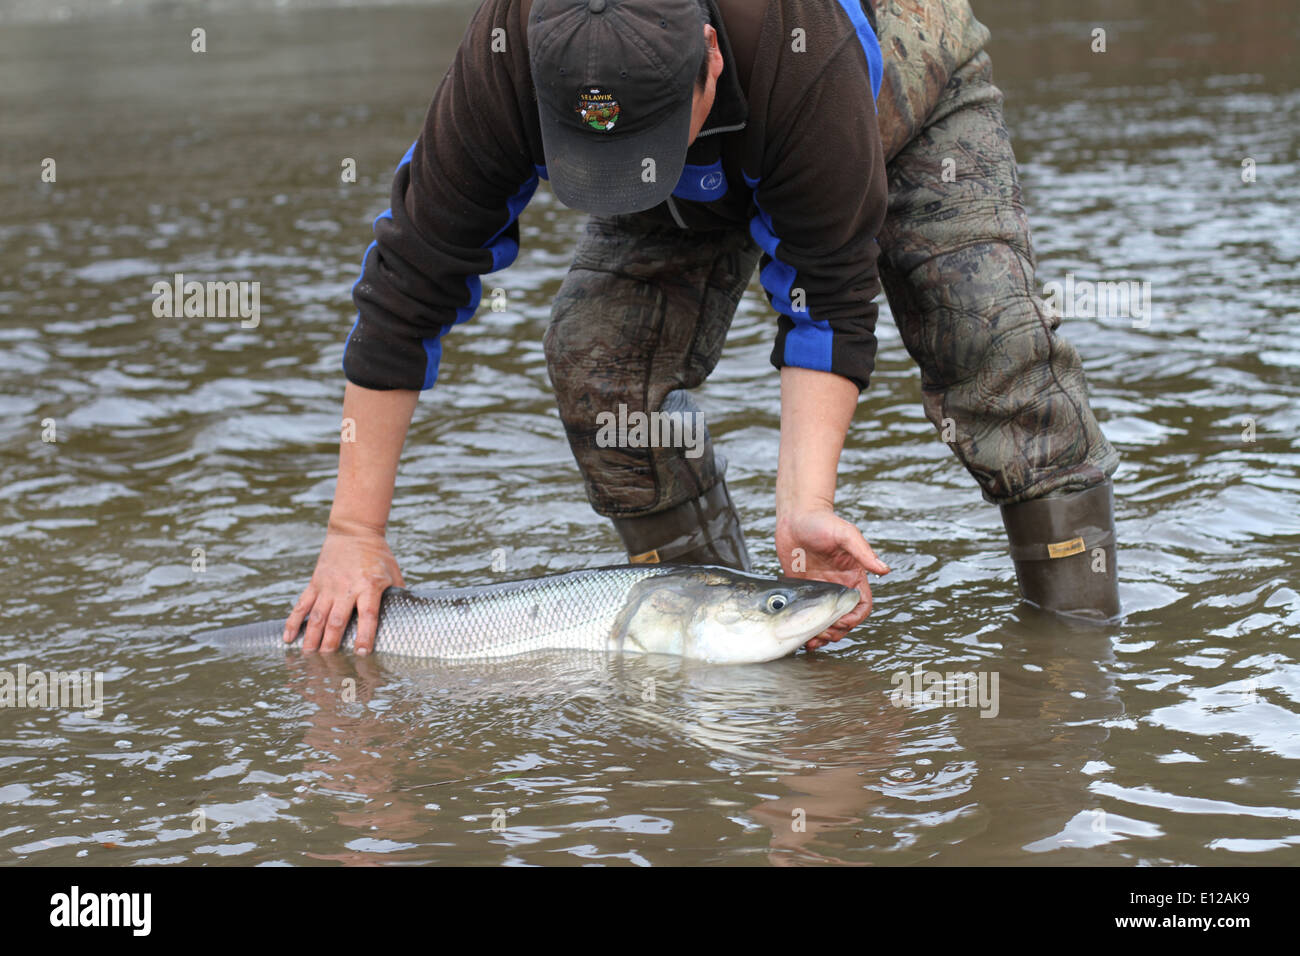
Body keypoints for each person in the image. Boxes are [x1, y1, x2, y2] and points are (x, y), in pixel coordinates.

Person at [284, 0, 1120, 655]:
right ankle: (711, 634)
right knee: (596, 363)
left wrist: (805, 507)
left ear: (708, 66)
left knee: (988, 340)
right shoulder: (505, 57)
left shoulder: (801, 50)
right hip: (692, 167)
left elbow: (826, 293)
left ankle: (1077, 651)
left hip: (889, 96)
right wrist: (354, 534)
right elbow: (411, 278)